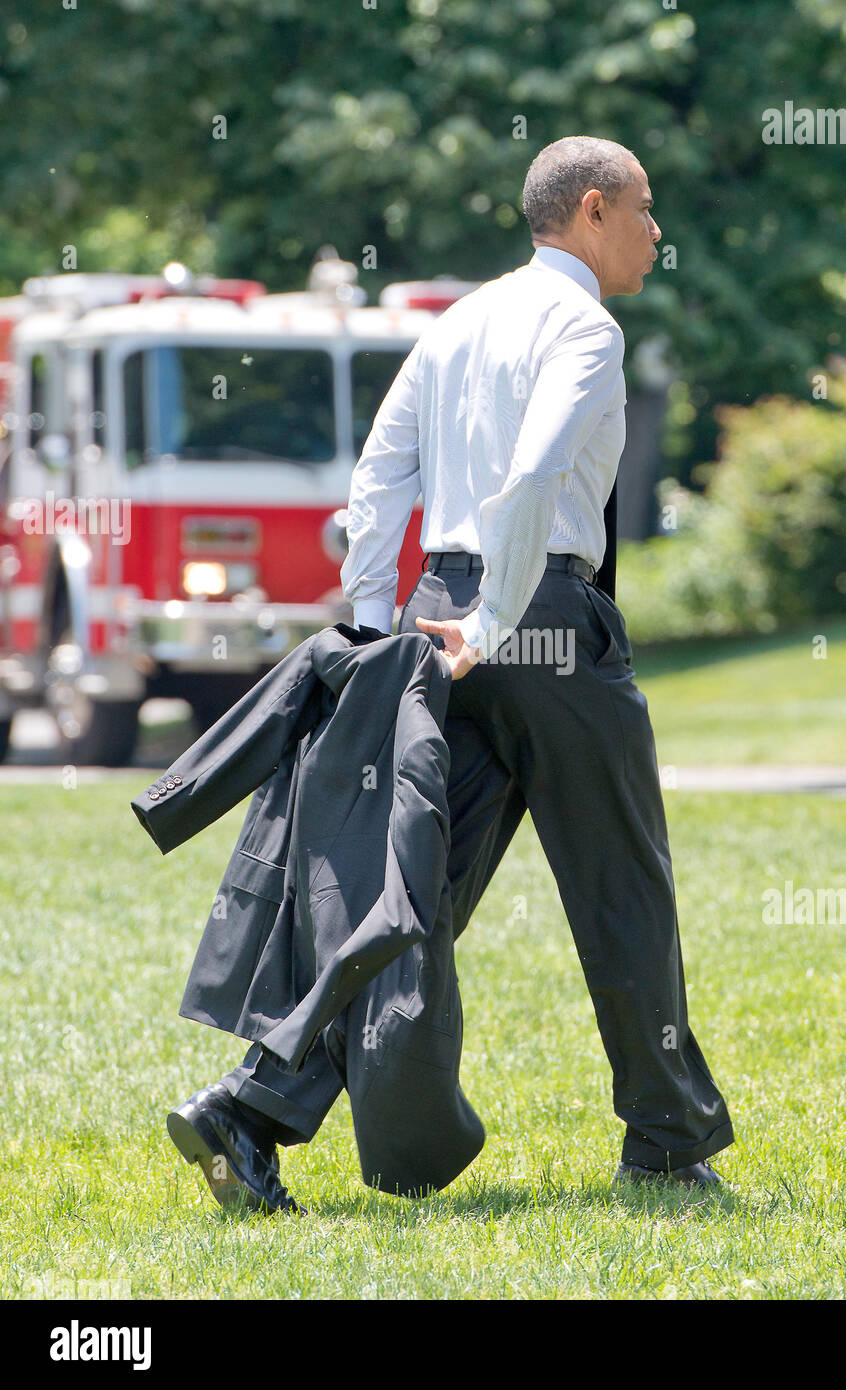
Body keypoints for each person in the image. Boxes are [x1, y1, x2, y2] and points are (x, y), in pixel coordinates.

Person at [167, 135, 734, 1213]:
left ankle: (247, 1112)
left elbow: (378, 480)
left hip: (435, 621)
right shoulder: (585, 327)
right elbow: (534, 474)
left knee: (408, 898)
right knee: (622, 882)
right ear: (593, 210)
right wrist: (502, 616)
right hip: (540, 618)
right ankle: (666, 1140)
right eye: (647, 210)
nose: (659, 234)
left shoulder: (455, 323)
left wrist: (376, 629)